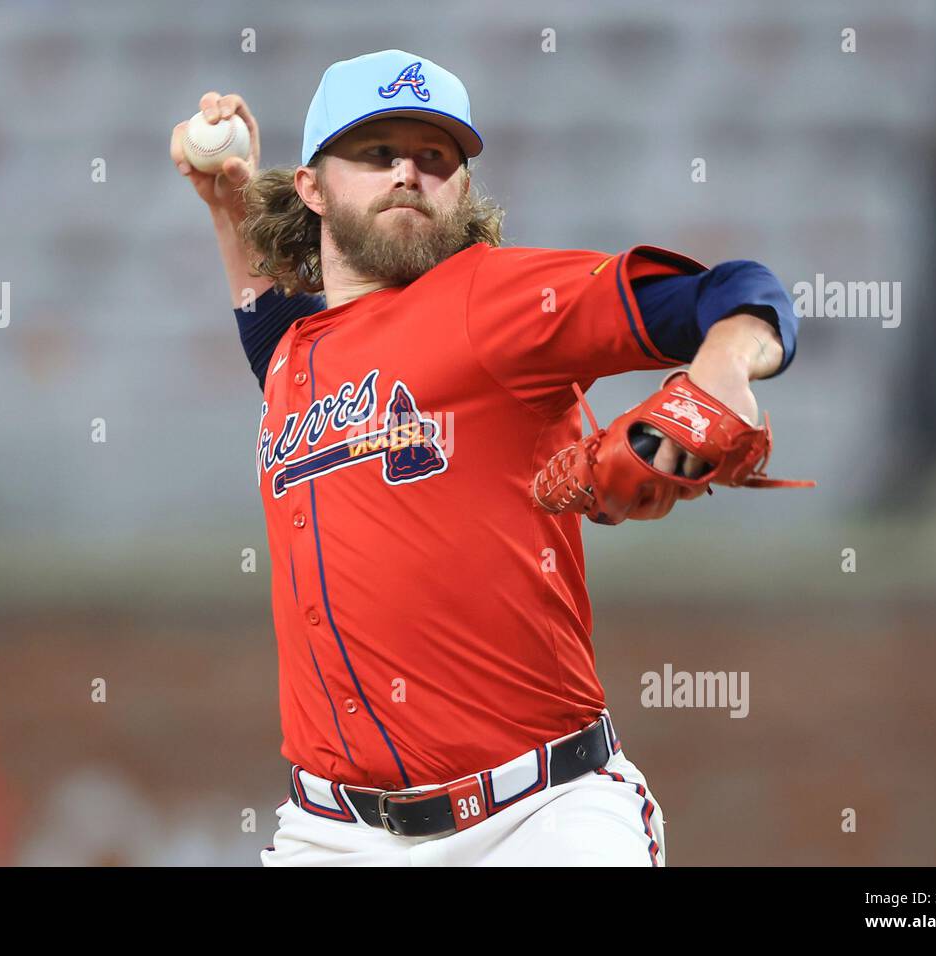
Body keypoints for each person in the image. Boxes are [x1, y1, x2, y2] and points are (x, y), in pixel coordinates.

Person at [172, 50, 801, 866]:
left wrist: (722, 372)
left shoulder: (495, 300)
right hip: (329, 835)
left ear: (462, 189)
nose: (407, 171)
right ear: (312, 189)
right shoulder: (296, 355)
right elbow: (275, 340)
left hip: (536, 819)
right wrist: (228, 206)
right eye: (375, 152)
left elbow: (741, 294)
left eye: (435, 157)